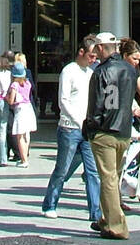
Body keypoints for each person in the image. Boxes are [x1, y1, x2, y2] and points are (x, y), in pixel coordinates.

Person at [85, 32, 140, 240]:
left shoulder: (100, 72)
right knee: (113, 177)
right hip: (124, 131)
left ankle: (116, 226)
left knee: (107, 178)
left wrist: (91, 127)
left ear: (100, 48)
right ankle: (106, 220)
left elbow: (96, 105)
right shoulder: (130, 69)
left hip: (104, 132)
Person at [41, 37, 101, 222]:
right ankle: (50, 204)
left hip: (86, 130)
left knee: (93, 171)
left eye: (95, 57)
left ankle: (95, 212)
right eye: (91, 55)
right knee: (62, 168)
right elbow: (63, 101)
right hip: (69, 128)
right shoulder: (69, 71)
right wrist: (78, 121)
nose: (93, 60)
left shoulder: (90, 73)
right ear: (81, 52)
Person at [8, 55, 37, 167]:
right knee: (26, 134)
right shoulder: (27, 83)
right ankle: (26, 156)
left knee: (20, 136)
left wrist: (6, 97)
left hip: (20, 110)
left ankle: (24, 160)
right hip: (28, 108)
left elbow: (11, 101)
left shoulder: (14, 85)